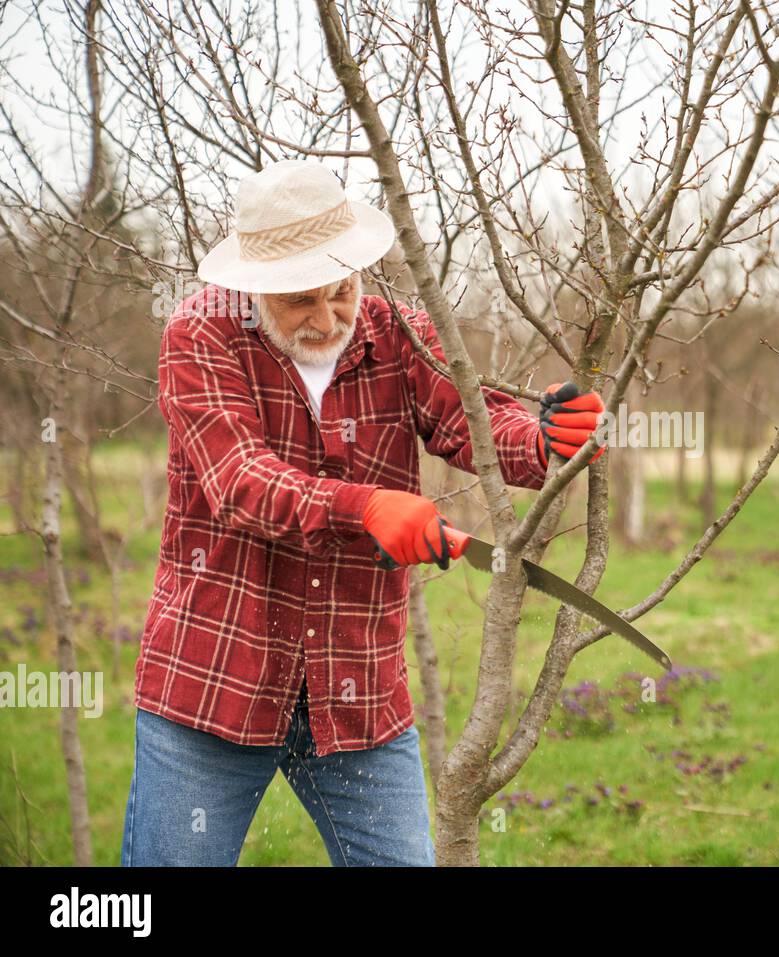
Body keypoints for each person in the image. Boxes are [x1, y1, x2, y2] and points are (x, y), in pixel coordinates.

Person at [121, 159, 605, 866]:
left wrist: (547, 441)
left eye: (340, 291)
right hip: (214, 681)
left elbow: (470, 424)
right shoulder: (201, 334)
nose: (327, 319)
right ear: (255, 288)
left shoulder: (396, 333)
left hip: (356, 687)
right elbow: (237, 480)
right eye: (300, 302)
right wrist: (365, 506)